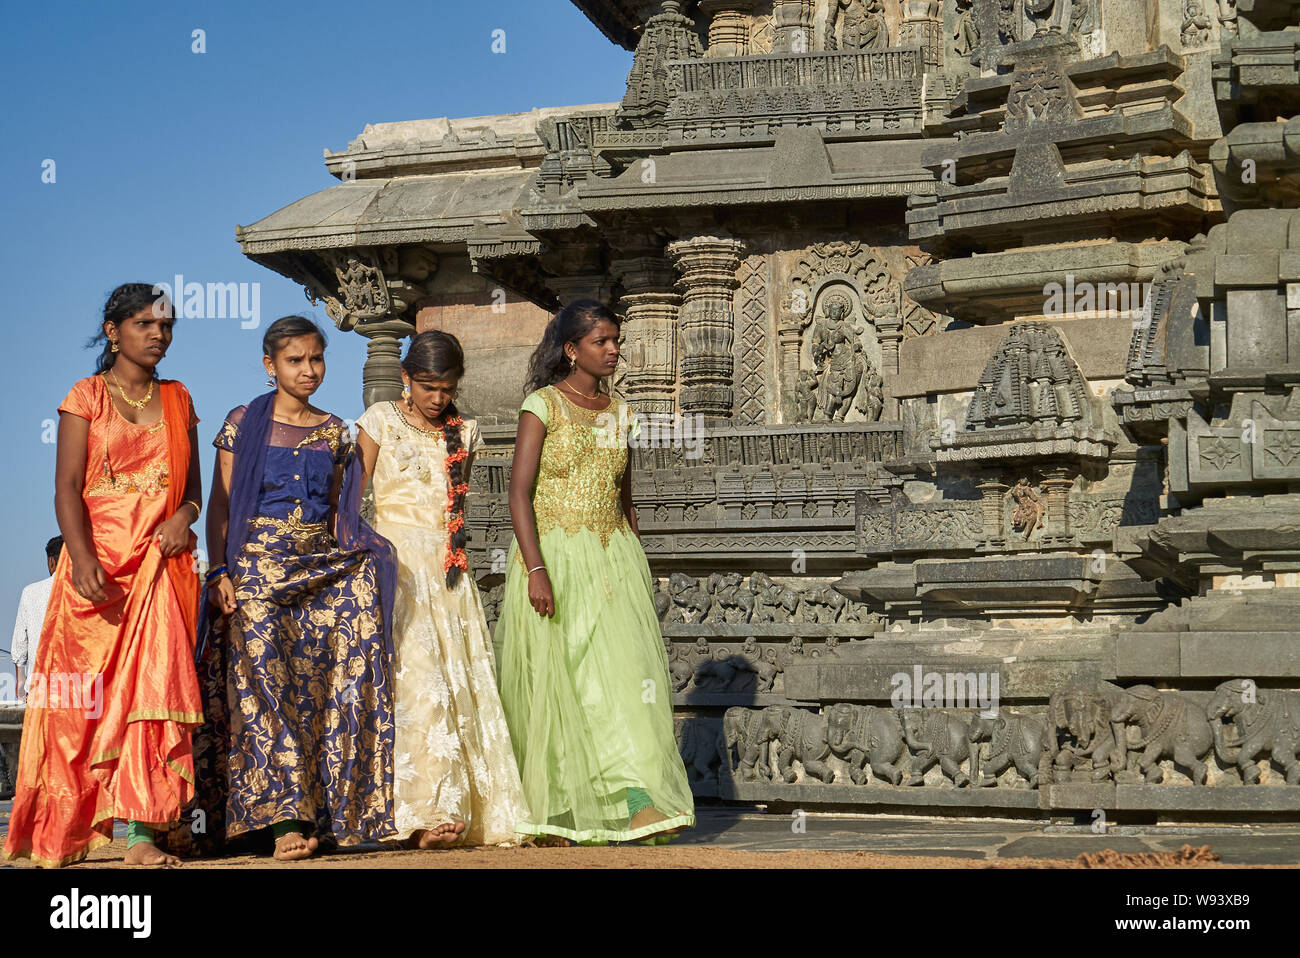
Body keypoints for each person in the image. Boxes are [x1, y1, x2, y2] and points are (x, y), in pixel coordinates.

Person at [167, 315, 395, 862]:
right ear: (270, 366)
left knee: (320, 689)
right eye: (295, 360)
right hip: (256, 574)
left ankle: (336, 810)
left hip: (319, 573)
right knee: (262, 686)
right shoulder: (243, 424)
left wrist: (370, 557)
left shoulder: (336, 431)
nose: (309, 370)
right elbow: (221, 504)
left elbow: (341, 513)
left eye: (316, 359)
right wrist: (219, 572)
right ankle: (283, 820)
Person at [3, 284, 204, 867]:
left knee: (152, 691)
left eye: (166, 326)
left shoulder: (179, 398)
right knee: (81, 702)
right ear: (113, 331)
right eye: (145, 324)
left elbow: (190, 492)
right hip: (95, 569)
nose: (158, 335)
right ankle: (70, 823)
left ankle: (139, 834)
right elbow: (67, 487)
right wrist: (82, 556)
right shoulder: (84, 395)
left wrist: (183, 520)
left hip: (157, 564)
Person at [493, 299, 695, 845]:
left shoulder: (619, 411)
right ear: (571, 349)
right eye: (601, 342)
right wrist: (536, 568)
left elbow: (624, 496)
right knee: (561, 682)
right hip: (551, 558)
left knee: (623, 682)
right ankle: (557, 809)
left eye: (616, 341)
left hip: (611, 559)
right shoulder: (543, 406)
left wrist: (636, 563)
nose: (612, 350)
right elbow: (518, 493)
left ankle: (634, 800)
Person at [354, 330, 530, 849]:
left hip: (448, 574)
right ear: (405, 378)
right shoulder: (379, 421)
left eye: (447, 388)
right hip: (393, 568)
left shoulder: (466, 432)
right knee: (413, 683)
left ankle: (451, 809)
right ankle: (414, 812)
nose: (437, 398)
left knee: (453, 685)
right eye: (427, 386)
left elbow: (456, 512)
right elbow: (351, 502)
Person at [10, 536, 63, 698]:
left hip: (38, 690)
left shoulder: (30, 592)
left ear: (51, 562)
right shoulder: (87, 594)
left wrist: (20, 685)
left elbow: (20, 646)